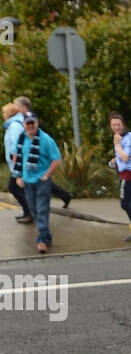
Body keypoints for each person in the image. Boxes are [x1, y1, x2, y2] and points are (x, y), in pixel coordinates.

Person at [9, 95, 71, 213]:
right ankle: (63, 196)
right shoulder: (22, 120)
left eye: (17, 105)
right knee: (41, 182)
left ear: (24, 106)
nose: (15, 108)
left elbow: (37, 139)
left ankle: (31, 212)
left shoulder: (30, 120)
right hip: (27, 162)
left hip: (35, 160)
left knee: (31, 183)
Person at [20, 111, 62, 254]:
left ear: (37, 123)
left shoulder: (46, 140)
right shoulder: (22, 138)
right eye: (28, 123)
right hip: (27, 181)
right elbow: (18, 157)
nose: (31, 125)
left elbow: (56, 160)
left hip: (42, 181)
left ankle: (42, 240)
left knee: (42, 209)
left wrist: (46, 175)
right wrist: (18, 176)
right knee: (34, 210)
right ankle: (46, 236)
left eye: (33, 122)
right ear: (24, 124)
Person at [108, 112, 131, 240]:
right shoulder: (120, 136)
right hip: (125, 172)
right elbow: (122, 156)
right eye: (113, 125)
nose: (116, 127)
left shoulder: (127, 138)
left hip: (130, 174)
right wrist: (114, 160)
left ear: (123, 124)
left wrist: (117, 145)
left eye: (118, 124)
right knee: (126, 203)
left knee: (125, 204)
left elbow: (125, 157)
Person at [3, 102, 32, 222]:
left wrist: (16, 165)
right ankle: (28, 213)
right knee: (20, 188)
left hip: (17, 163)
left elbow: (16, 146)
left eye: (4, 112)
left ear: (8, 113)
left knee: (13, 188)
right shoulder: (14, 124)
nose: (3, 115)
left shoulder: (14, 125)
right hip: (17, 163)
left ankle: (30, 212)